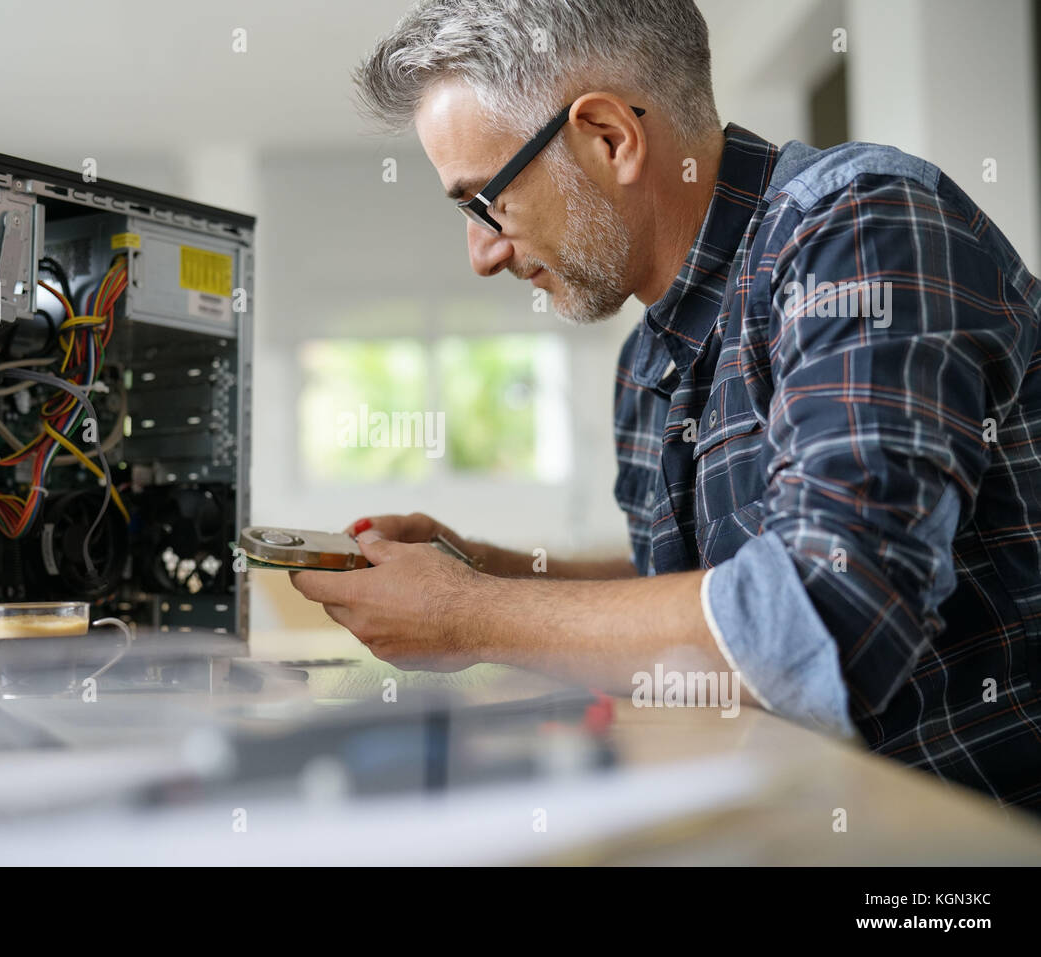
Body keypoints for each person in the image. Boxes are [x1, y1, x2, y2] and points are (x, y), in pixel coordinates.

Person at [288, 0, 1041, 810]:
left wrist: (468, 612)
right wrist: (484, 568)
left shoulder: (860, 232)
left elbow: (826, 611)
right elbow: (708, 591)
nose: (483, 253)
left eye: (484, 202)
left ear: (609, 137)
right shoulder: (647, 366)